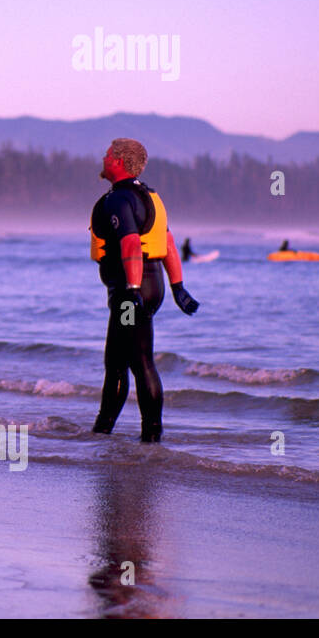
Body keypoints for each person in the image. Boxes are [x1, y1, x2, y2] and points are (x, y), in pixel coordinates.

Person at [88, 138, 199, 443]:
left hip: (131, 290)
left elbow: (131, 243)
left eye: (108, 154)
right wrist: (178, 288)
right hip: (152, 285)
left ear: (119, 161)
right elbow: (169, 245)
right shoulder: (149, 196)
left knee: (128, 363)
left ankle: (137, 434)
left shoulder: (120, 199)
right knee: (128, 361)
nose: (103, 157)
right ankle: (124, 432)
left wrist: (132, 289)